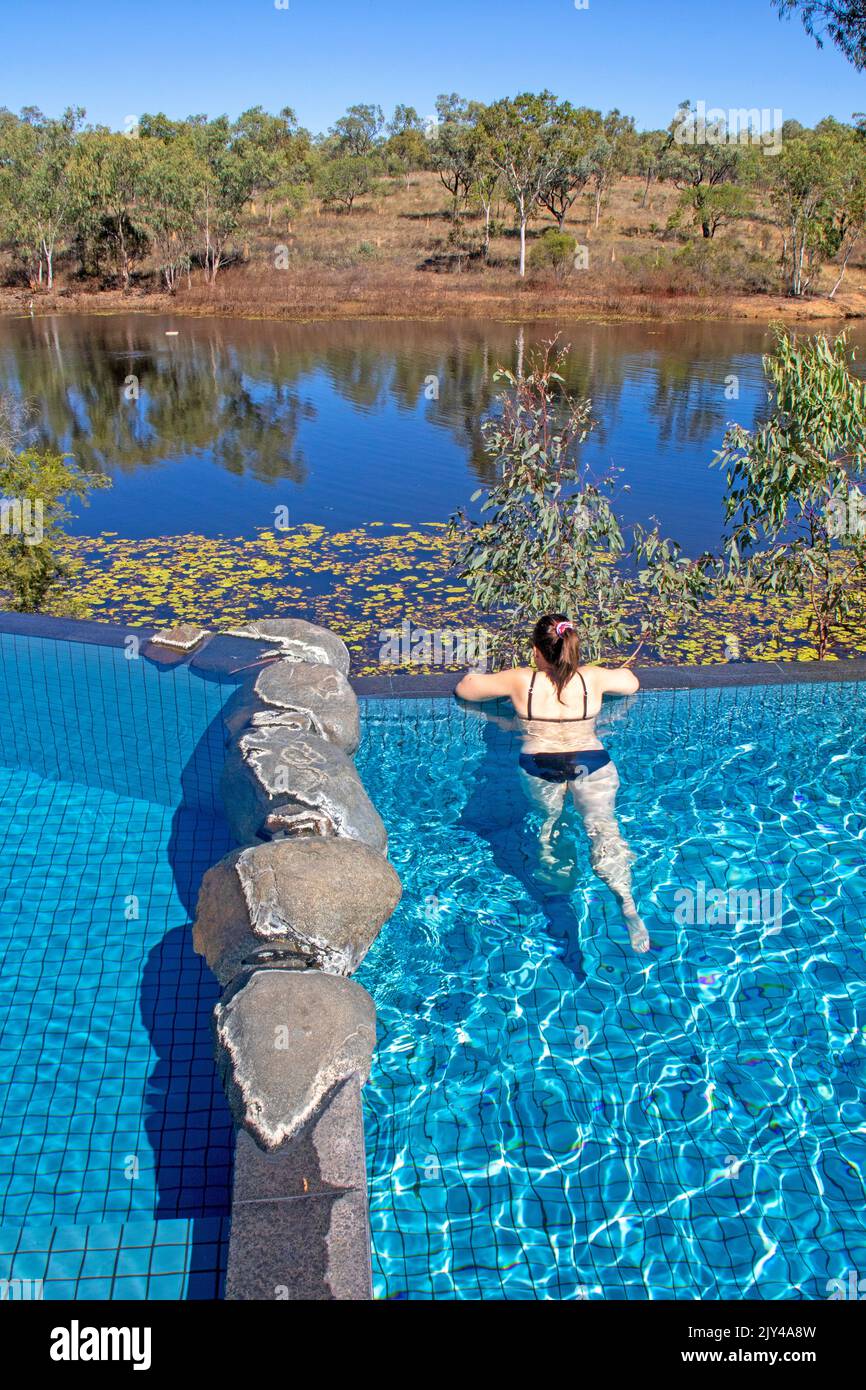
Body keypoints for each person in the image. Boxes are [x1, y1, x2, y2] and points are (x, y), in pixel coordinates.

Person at [455, 613, 649, 954]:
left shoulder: (522, 681)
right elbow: (631, 682)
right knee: (604, 830)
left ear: (536, 651)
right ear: (572, 647)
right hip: (592, 762)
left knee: (550, 828)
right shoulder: (592, 678)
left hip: (539, 764)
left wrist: (477, 674)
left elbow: (466, 690)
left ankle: (557, 903)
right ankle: (629, 906)